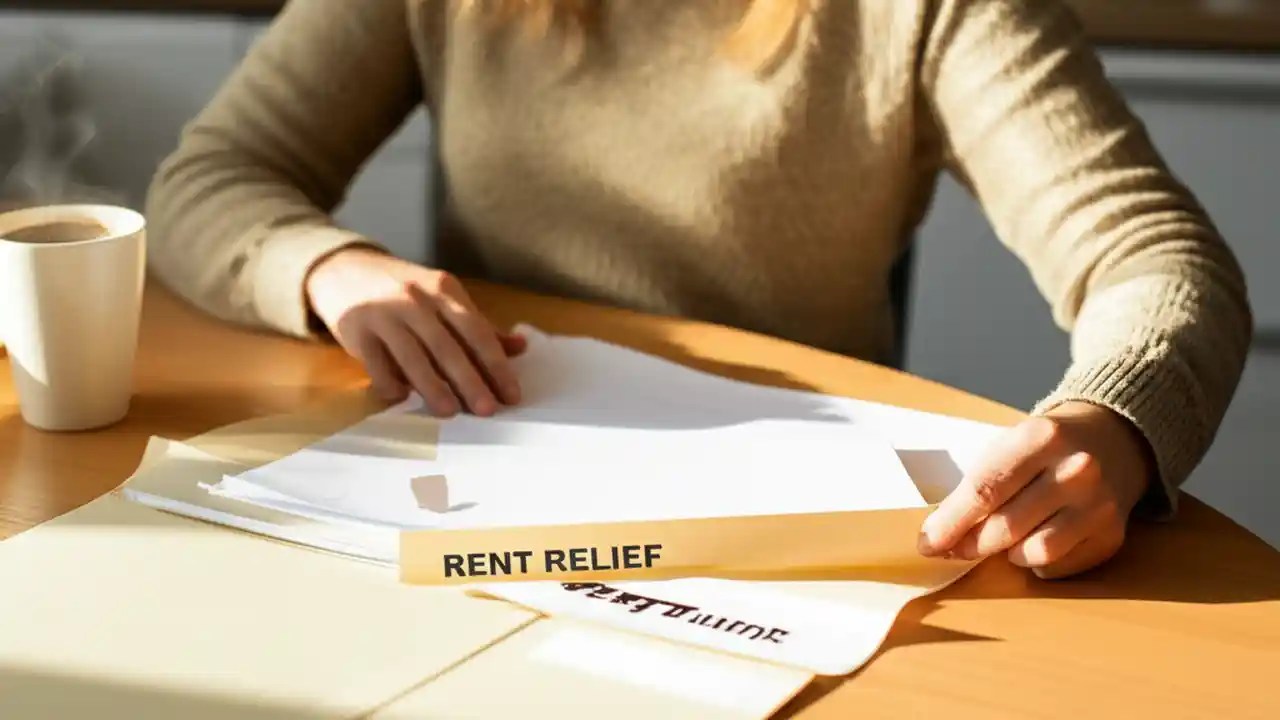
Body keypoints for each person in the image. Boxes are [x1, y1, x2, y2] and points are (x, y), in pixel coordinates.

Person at [146, 0, 1252, 579]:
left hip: (782, 551)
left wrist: (1110, 418)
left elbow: (1156, 261)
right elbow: (213, 178)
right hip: (470, 493)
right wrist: (324, 266)